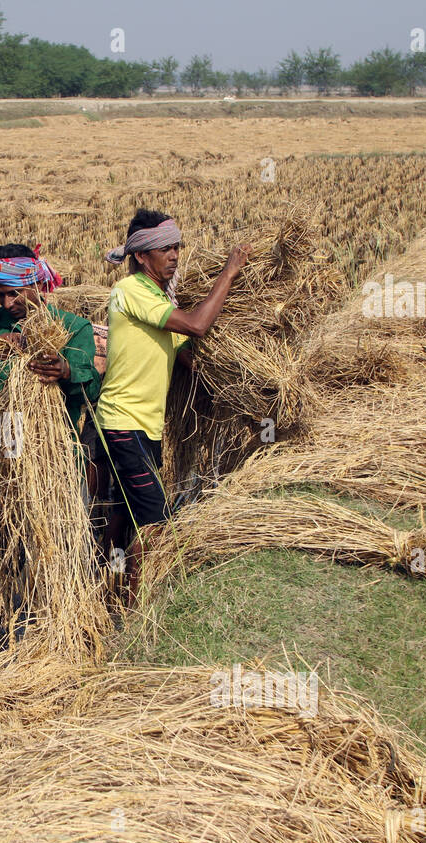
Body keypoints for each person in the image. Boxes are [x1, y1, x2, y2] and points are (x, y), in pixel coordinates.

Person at [95, 209, 250, 600]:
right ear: (142, 256)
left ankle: (104, 589)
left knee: (124, 511)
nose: (175, 254)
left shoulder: (157, 298)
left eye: (177, 246)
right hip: (122, 422)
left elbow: (184, 351)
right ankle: (135, 608)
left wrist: (232, 384)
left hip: (143, 426)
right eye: (165, 248)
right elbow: (197, 325)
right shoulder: (130, 291)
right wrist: (228, 273)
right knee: (155, 520)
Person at [0, 243, 100, 437]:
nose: (7, 303)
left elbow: (91, 392)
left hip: (54, 444)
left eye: (14, 293)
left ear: (37, 285)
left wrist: (66, 372)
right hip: (0, 448)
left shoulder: (72, 327)